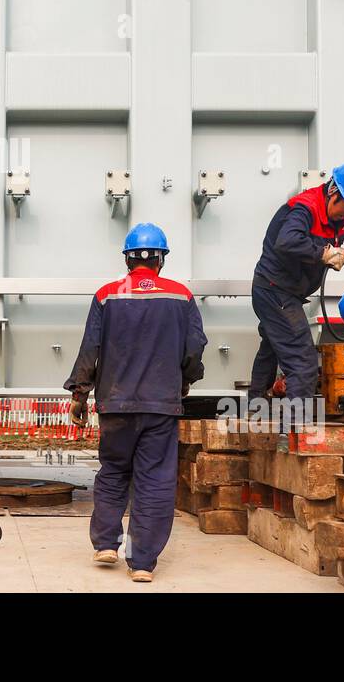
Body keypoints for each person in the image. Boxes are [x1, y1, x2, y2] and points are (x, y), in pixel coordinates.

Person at [64, 223, 207, 583]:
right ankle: (142, 562)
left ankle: (107, 544)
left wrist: (79, 395)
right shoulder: (181, 296)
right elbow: (194, 349)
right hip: (161, 405)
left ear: (128, 259)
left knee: (113, 471)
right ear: (160, 259)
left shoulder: (106, 295)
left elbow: (90, 349)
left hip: (114, 405)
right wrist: (185, 379)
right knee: (155, 480)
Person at [248, 161, 344, 402]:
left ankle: (258, 412)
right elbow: (287, 241)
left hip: (282, 292)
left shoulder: (341, 213)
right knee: (303, 363)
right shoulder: (304, 209)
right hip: (274, 291)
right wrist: (324, 253)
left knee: (271, 349)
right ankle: (301, 431)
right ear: (333, 192)